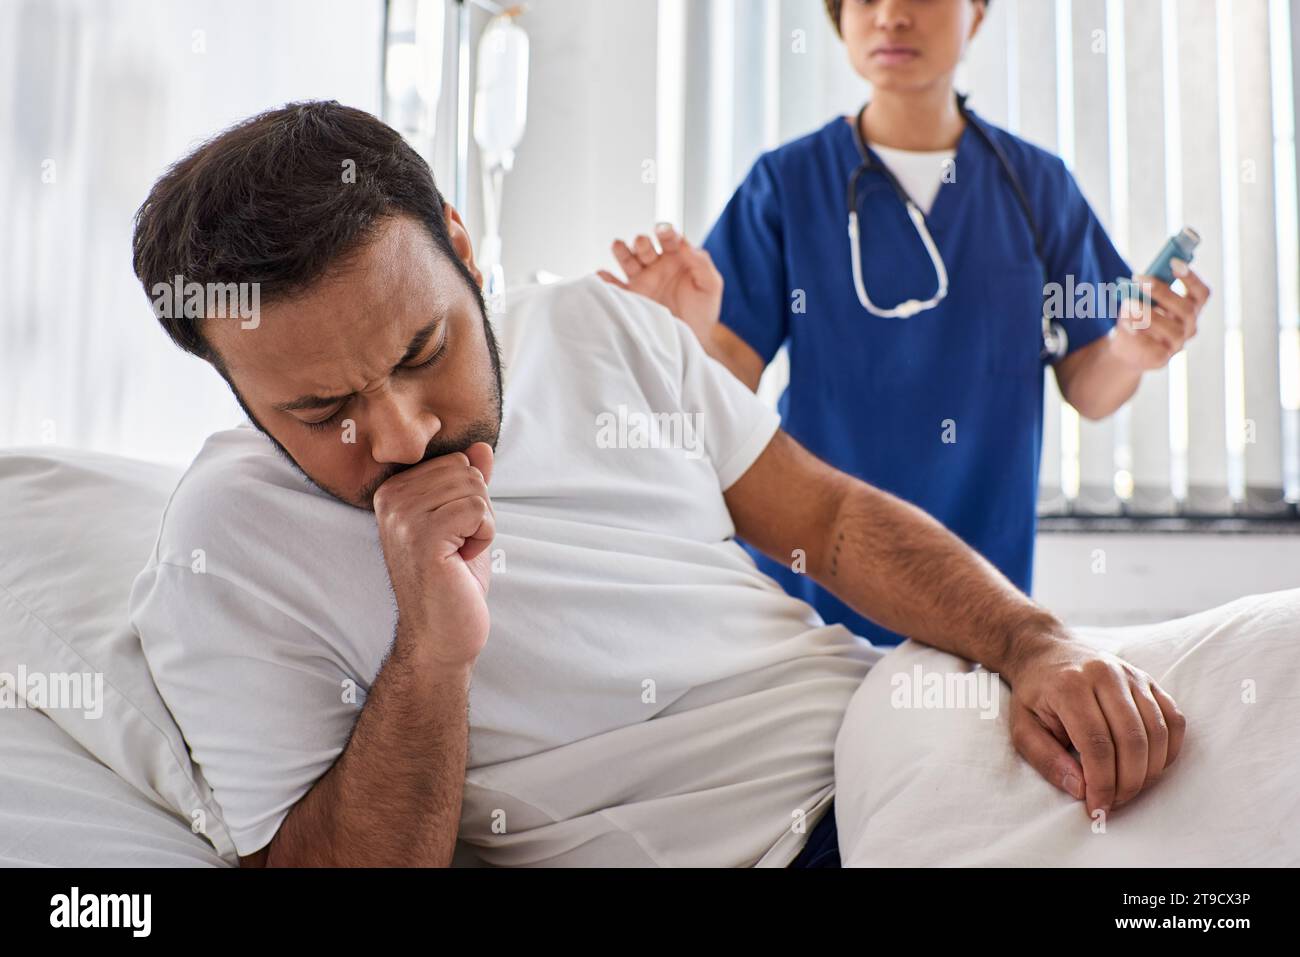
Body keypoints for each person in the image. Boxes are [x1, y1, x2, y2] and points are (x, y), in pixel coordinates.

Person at [128, 101, 1184, 868]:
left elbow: (829, 518)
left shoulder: (597, 327)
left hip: (909, 731)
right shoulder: (227, 550)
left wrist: (1031, 643)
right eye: (323, 414)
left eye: (423, 350)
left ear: (461, 246)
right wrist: (432, 655)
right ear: (237, 392)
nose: (402, 436)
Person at [600, 0, 1211, 647]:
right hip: (802, 599)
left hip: (978, 603)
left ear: (976, 13)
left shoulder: (1038, 187)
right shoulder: (787, 184)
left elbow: (1090, 385)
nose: (891, 15)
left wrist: (1132, 348)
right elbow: (726, 387)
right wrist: (682, 336)